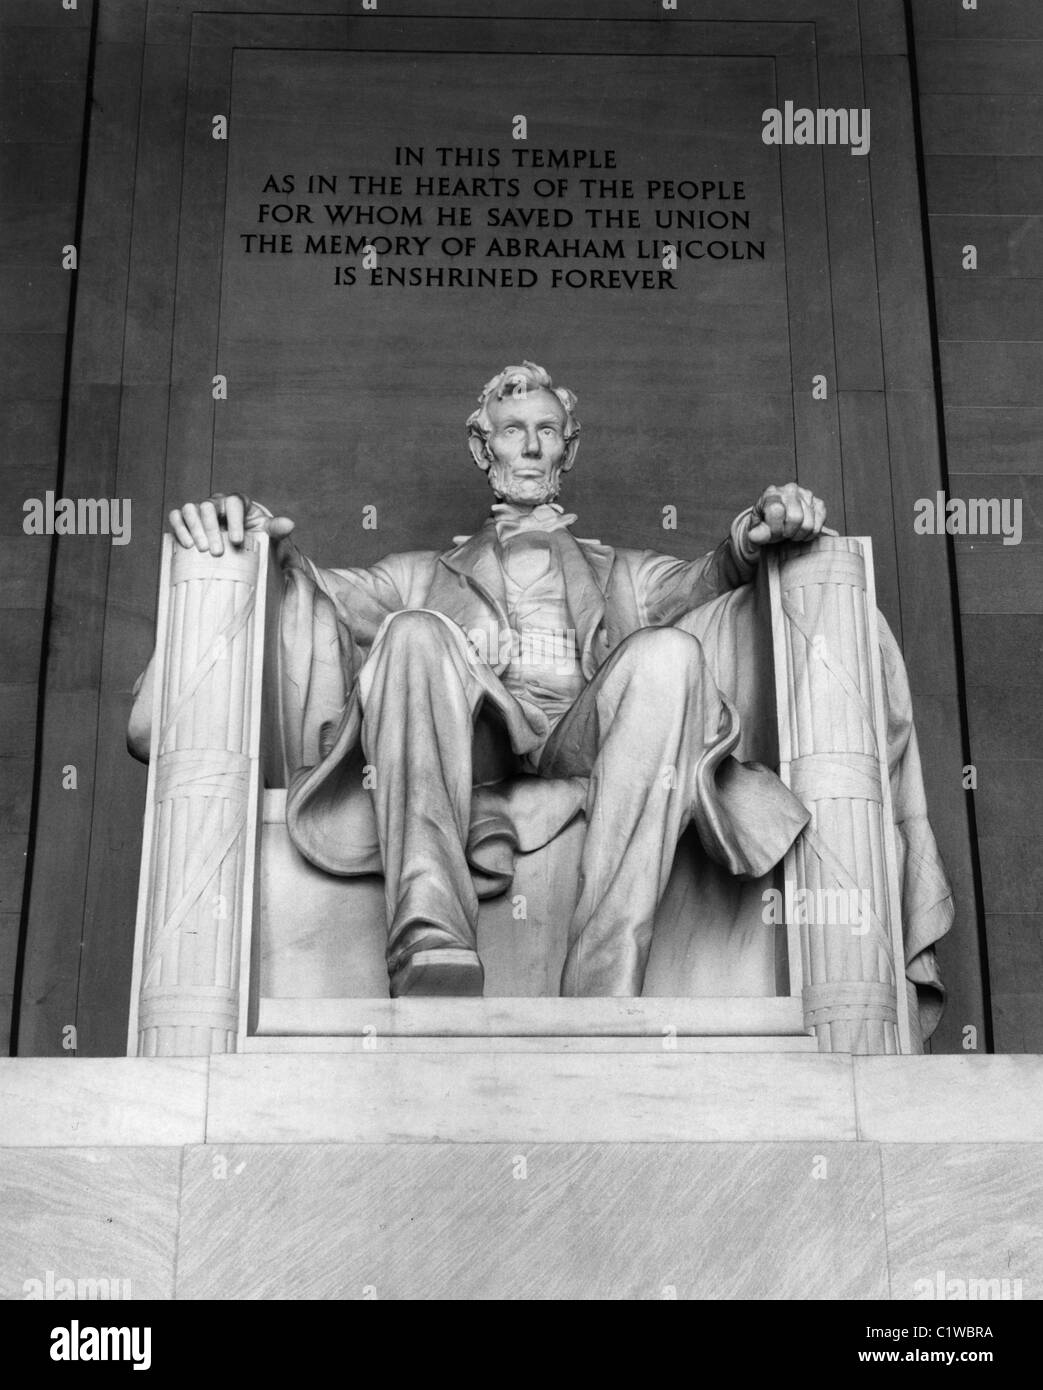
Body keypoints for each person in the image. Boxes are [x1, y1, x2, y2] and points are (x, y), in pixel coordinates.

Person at [162, 361, 828, 998]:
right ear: (483, 450)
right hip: (478, 734)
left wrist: (756, 531)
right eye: (513, 431)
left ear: (569, 448)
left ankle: (606, 972)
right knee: (413, 631)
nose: (532, 448)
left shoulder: (627, 572)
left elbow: (710, 577)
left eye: (547, 432)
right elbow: (313, 589)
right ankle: (428, 932)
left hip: (585, 735)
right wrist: (248, 533)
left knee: (670, 655)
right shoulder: (417, 572)